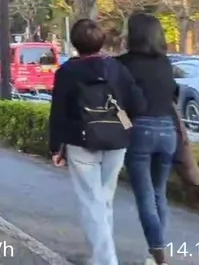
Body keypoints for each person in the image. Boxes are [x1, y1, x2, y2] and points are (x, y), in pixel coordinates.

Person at [48, 19, 146, 265]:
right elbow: (138, 104)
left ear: (75, 43)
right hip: (117, 141)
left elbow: (58, 112)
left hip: (81, 141)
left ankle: (106, 259)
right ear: (102, 41)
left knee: (91, 201)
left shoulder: (67, 72)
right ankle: (99, 257)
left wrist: (55, 147)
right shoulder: (117, 68)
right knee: (104, 200)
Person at [117, 13, 179, 265]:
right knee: (159, 193)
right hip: (168, 131)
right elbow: (173, 95)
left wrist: (126, 126)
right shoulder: (165, 63)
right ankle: (155, 254)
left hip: (140, 130)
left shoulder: (123, 64)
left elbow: (117, 102)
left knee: (144, 196)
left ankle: (158, 252)